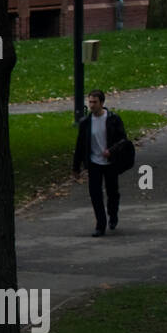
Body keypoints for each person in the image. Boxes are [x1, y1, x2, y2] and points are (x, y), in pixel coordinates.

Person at [71, 90, 130, 237]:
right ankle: (100, 224)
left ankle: (113, 215)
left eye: (94, 102)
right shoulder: (86, 122)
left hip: (110, 162)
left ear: (102, 103)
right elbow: (80, 145)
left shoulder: (113, 119)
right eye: (90, 102)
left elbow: (123, 140)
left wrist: (112, 150)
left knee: (112, 192)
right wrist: (76, 168)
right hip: (94, 162)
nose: (91, 105)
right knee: (95, 194)